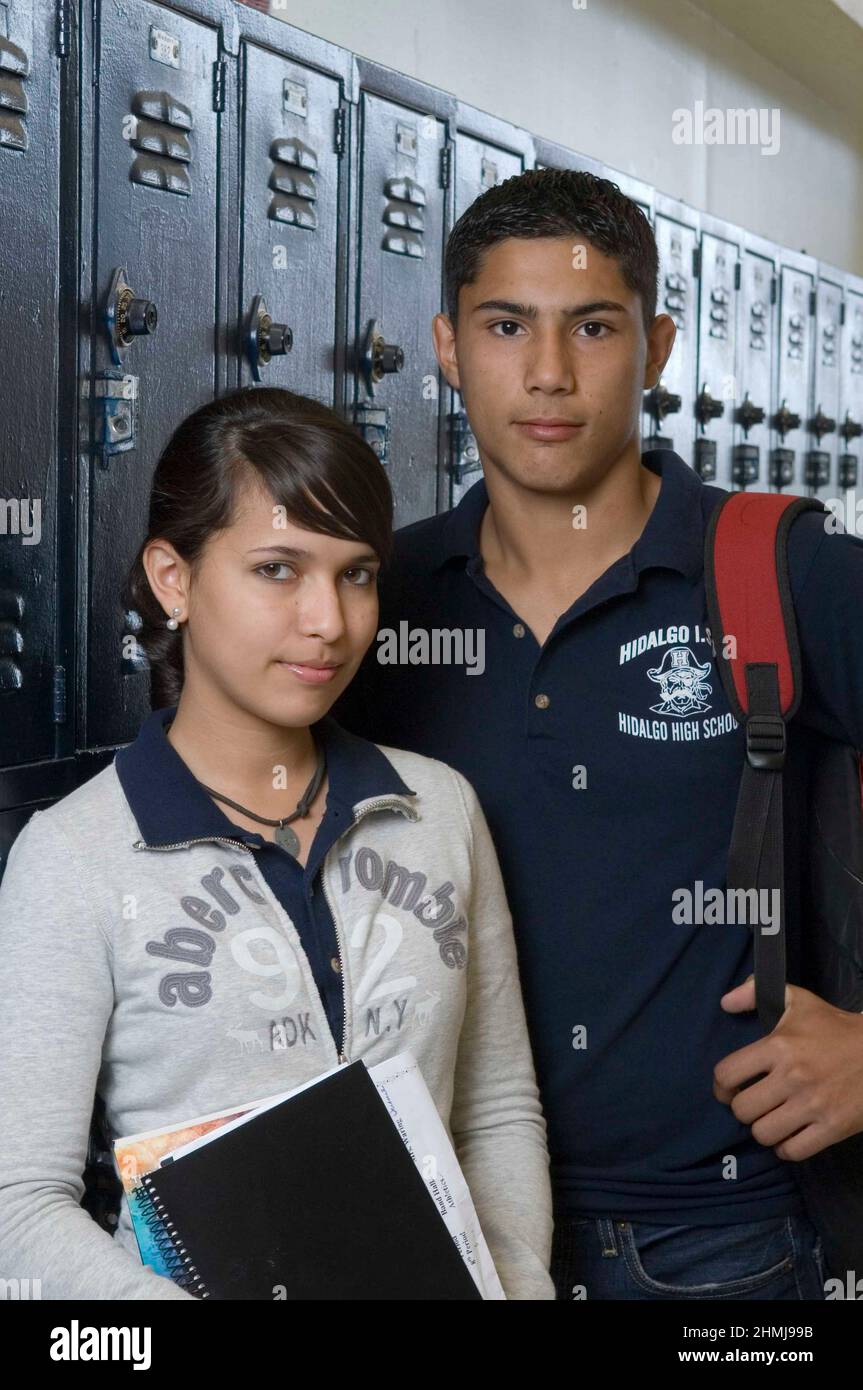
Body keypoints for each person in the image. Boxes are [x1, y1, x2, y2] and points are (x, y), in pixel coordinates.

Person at [332, 168, 863, 1301]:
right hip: (440, 1234)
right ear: (444, 343)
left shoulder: (780, 573)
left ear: (658, 345)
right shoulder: (379, 599)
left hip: (725, 1248)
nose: (547, 373)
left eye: (593, 327)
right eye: (505, 325)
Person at [0, 386, 555, 1300]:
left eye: (356, 574)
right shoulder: (74, 856)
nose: (328, 623)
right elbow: (22, 1211)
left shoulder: (440, 810)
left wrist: (514, 1288)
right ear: (174, 579)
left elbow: (495, 1110)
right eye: (276, 569)